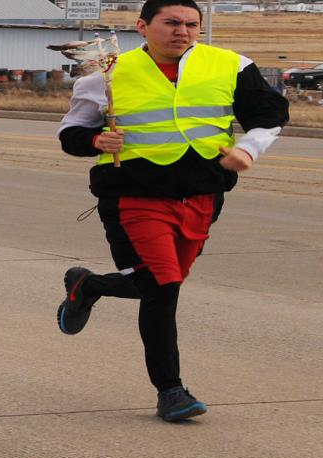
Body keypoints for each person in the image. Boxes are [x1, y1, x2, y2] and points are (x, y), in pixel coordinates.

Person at [54, 0, 289, 422]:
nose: (182, 31)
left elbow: (270, 115)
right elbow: (71, 132)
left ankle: (88, 286)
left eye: (191, 24)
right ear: (143, 26)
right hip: (133, 194)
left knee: (161, 284)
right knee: (162, 287)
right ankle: (171, 390)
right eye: (171, 23)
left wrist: (248, 149)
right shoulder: (106, 72)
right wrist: (94, 143)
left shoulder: (230, 65)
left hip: (201, 193)